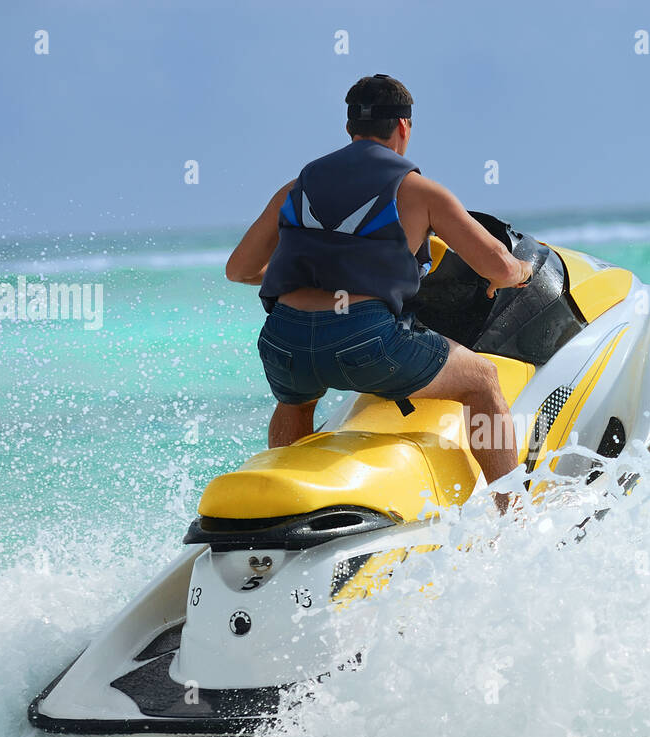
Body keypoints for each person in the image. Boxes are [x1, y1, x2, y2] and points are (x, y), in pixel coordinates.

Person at [225, 74, 530, 512]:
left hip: (283, 342)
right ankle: (512, 509)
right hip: (365, 343)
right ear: (404, 127)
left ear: (350, 128)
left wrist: (299, 279)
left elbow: (240, 270)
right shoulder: (418, 191)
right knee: (482, 381)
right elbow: (495, 266)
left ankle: (280, 503)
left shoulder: (297, 186)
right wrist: (519, 271)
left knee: (295, 400)